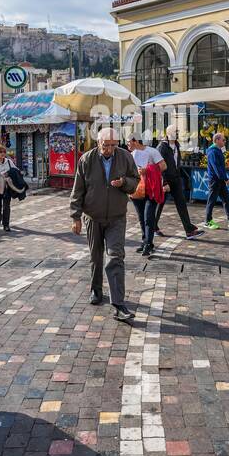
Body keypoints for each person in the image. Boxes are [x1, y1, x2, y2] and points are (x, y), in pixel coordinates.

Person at [69, 127, 139, 322]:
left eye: (113, 145)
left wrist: (124, 182)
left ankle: (118, 304)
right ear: (98, 143)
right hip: (92, 216)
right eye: (105, 145)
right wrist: (75, 217)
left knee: (115, 256)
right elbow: (78, 189)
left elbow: (136, 180)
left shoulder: (125, 157)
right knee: (95, 256)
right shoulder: (87, 160)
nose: (109, 149)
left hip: (117, 217)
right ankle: (96, 289)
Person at [157, 124, 201, 239]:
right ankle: (152, 226)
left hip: (176, 178)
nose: (177, 134)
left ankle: (189, 230)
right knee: (159, 204)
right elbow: (159, 166)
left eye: (177, 132)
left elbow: (176, 162)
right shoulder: (162, 147)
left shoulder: (176, 145)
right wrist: (164, 182)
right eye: (175, 132)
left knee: (181, 204)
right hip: (166, 179)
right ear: (169, 133)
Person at [127, 135, 165, 256]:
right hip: (138, 190)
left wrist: (147, 169)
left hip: (151, 190)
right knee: (141, 217)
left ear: (136, 141)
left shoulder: (152, 151)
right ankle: (146, 241)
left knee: (148, 216)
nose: (127, 145)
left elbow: (164, 166)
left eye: (129, 142)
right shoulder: (132, 155)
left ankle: (148, 243)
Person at [204, 132, 229, 229]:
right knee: (211, 201)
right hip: (215, 181)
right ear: (217, 140)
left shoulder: (218, 150)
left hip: (220, 180)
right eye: (223, 140)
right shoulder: (213, 151)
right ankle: (207, 221)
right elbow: (217, 167)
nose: (225, 141)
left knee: (226, 199)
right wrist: (225, 178)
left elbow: (220, 167)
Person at [0, 142, 20, 233]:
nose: (2, 153)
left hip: (7, 188)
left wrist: (17, 173)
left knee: (6, 206)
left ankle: (6, 225)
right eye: (0, 152)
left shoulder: (8, 162)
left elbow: (15, 170)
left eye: (4, 152)